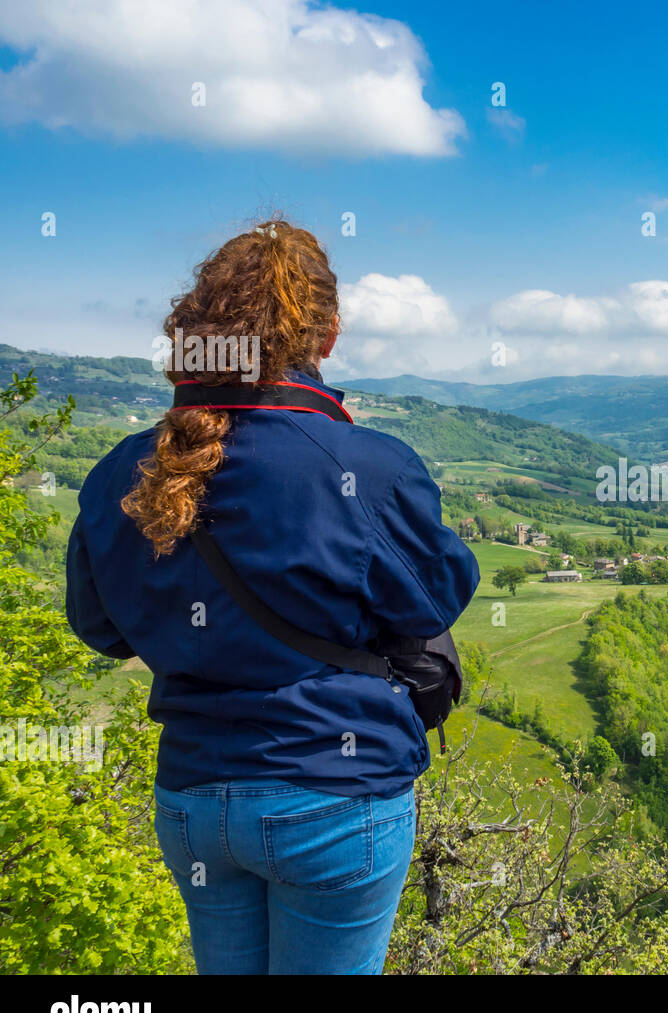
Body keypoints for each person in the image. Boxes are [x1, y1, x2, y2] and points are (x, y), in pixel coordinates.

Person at [65, 219, 479, 974]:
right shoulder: (366, 465)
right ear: (327, 335)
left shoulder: (120, 473)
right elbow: (433, 601)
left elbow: (100, 626)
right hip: (334, 795)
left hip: (194, 801)